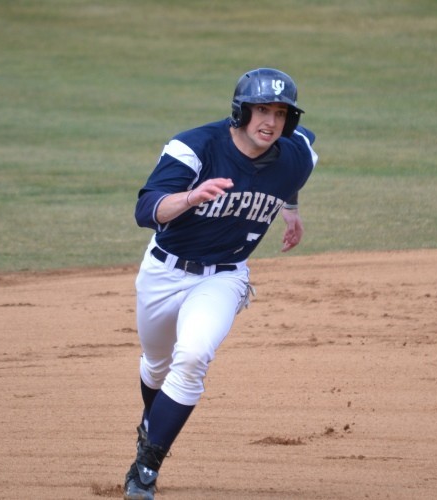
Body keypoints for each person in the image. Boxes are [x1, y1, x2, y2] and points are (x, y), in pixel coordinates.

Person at [122, 67, 318, 500]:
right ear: (241, 111)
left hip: (226, 276)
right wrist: (190, 197)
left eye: (281, 113)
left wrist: (290, 207)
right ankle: (150, 429)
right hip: (163, 272)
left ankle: (145, 470)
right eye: (262, 110)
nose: (271, 121)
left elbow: (301, 164)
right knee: (157, 365)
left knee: (191, 357)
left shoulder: (296, 151)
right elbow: (146, 210)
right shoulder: (194, 147)